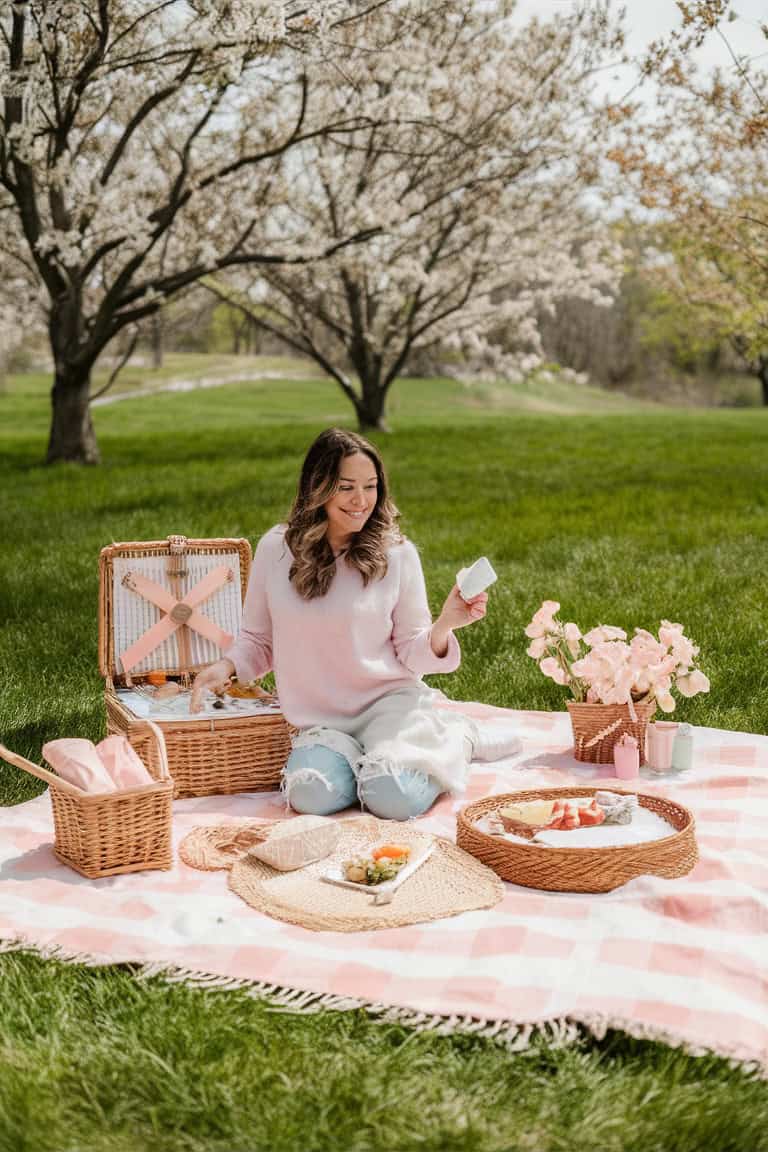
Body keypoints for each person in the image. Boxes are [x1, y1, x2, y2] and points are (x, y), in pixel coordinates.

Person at [191, 428, 521, 819]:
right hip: (320, 722)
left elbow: (411, 650)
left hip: (388, 707)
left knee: (394, 797)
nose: (361, 500)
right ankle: (365, 767)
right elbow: (259, 640)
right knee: (310, 795)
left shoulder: (397, 554)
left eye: (371, 486)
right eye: (346, 486)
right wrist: (225, 667)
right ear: (318, 486)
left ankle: (457, 737)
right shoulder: (275, 550)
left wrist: (444, 626)